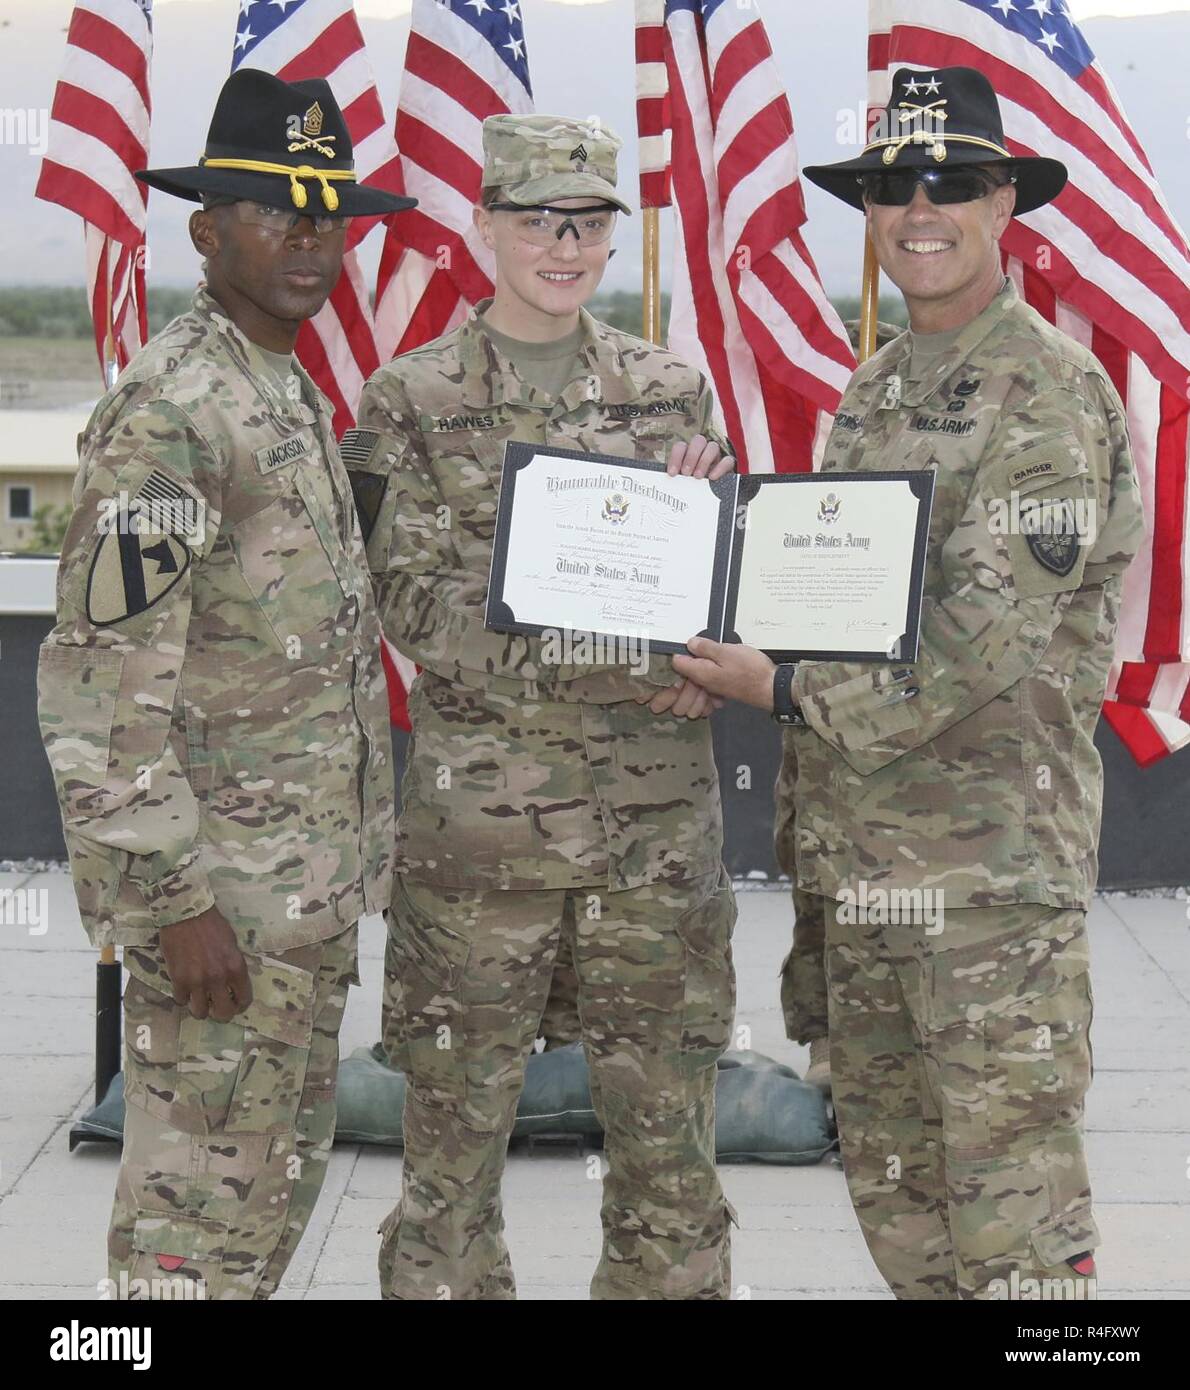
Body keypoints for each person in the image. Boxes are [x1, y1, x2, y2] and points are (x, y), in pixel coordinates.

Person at [672, 67, 1145, 1300]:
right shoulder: (875, 390)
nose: (916, 208)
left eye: (949, 183)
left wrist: (774, 689)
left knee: (1016, 1226)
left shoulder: (1046, 393)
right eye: (891, 186)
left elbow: (980, 636)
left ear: (1003, 203)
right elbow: (823, 599)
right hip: (857, 877)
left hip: (983, 890)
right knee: (898, 1200)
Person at [343, 114, 738, 1300]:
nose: (562, 245)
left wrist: (713, 643)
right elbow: (413, 605)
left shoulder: (669, 388)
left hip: (654, 836)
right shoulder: (409, 396)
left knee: (667, 1148)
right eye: (534, 220)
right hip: (484, 843)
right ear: (483, 227)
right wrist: (631, 658)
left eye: (586, 222)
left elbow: (715, 584)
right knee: (450, 1154)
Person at [37, 69, 415, 1300]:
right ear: (205, 230)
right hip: (223, 909)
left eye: (327, 214)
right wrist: (170, 901)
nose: (309, 238)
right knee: (187, 1236)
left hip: (295, 904)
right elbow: (100, 685)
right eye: (273, 210)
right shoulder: (176, 410)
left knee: (257, 1218)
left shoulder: (286, 390)